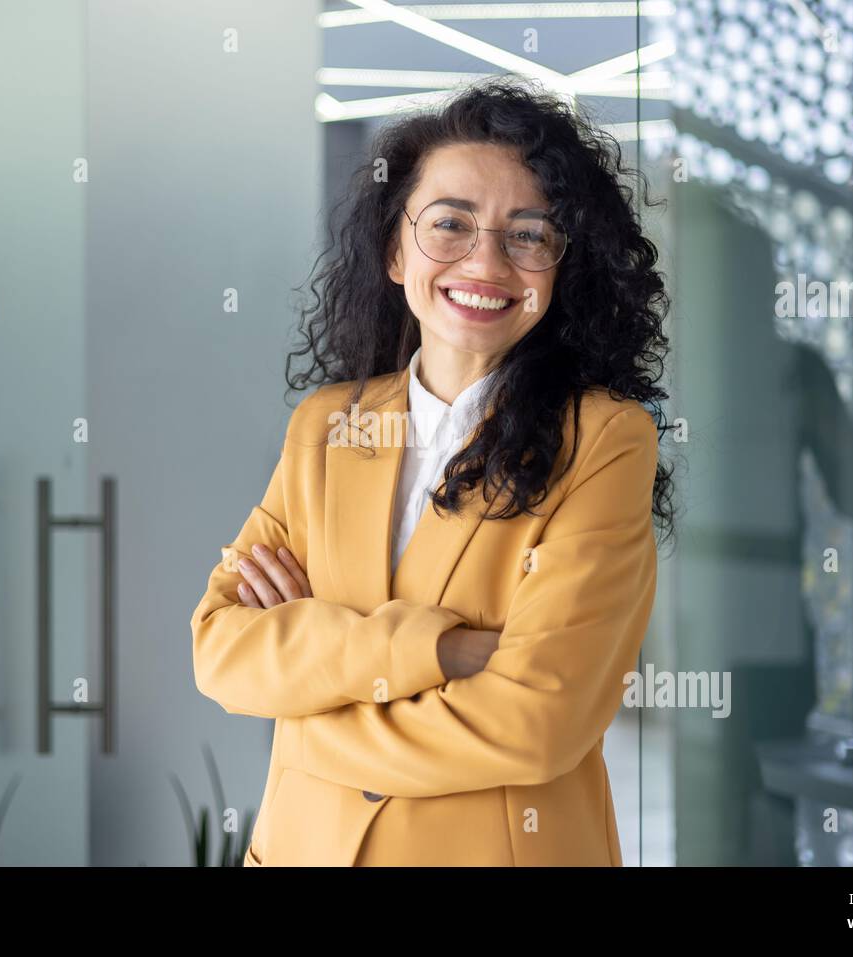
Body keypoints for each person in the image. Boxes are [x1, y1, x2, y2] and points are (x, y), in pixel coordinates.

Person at [191, 75, 673, 866]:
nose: (486, 260)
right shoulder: (326, 427)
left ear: (561, 267)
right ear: (393, 249)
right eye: (450, 223)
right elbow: (222, 649)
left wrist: (309, 709)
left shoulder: (605, 441)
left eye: (528, 233)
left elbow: (535, 719)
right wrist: (445, 652)